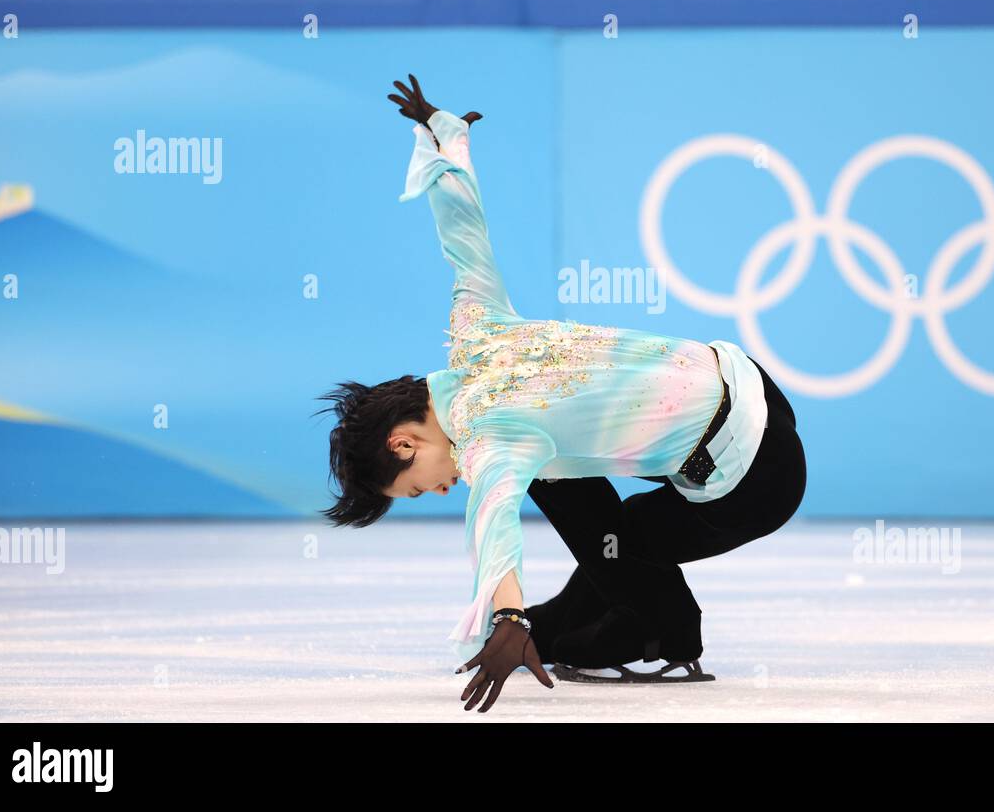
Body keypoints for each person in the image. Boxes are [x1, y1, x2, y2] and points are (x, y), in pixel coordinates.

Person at [319, 75, 807, 713]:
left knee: (610, 526)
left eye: (417, 485)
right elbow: (463, 236)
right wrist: (445, 142)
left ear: (404, 440)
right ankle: (572, 630)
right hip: (749, 382)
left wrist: (508, 619)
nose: (440, 490)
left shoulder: (492, 433)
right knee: (595, 514)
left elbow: (493, 521)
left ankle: (658, 637)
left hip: (753, 482)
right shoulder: (475, 331)